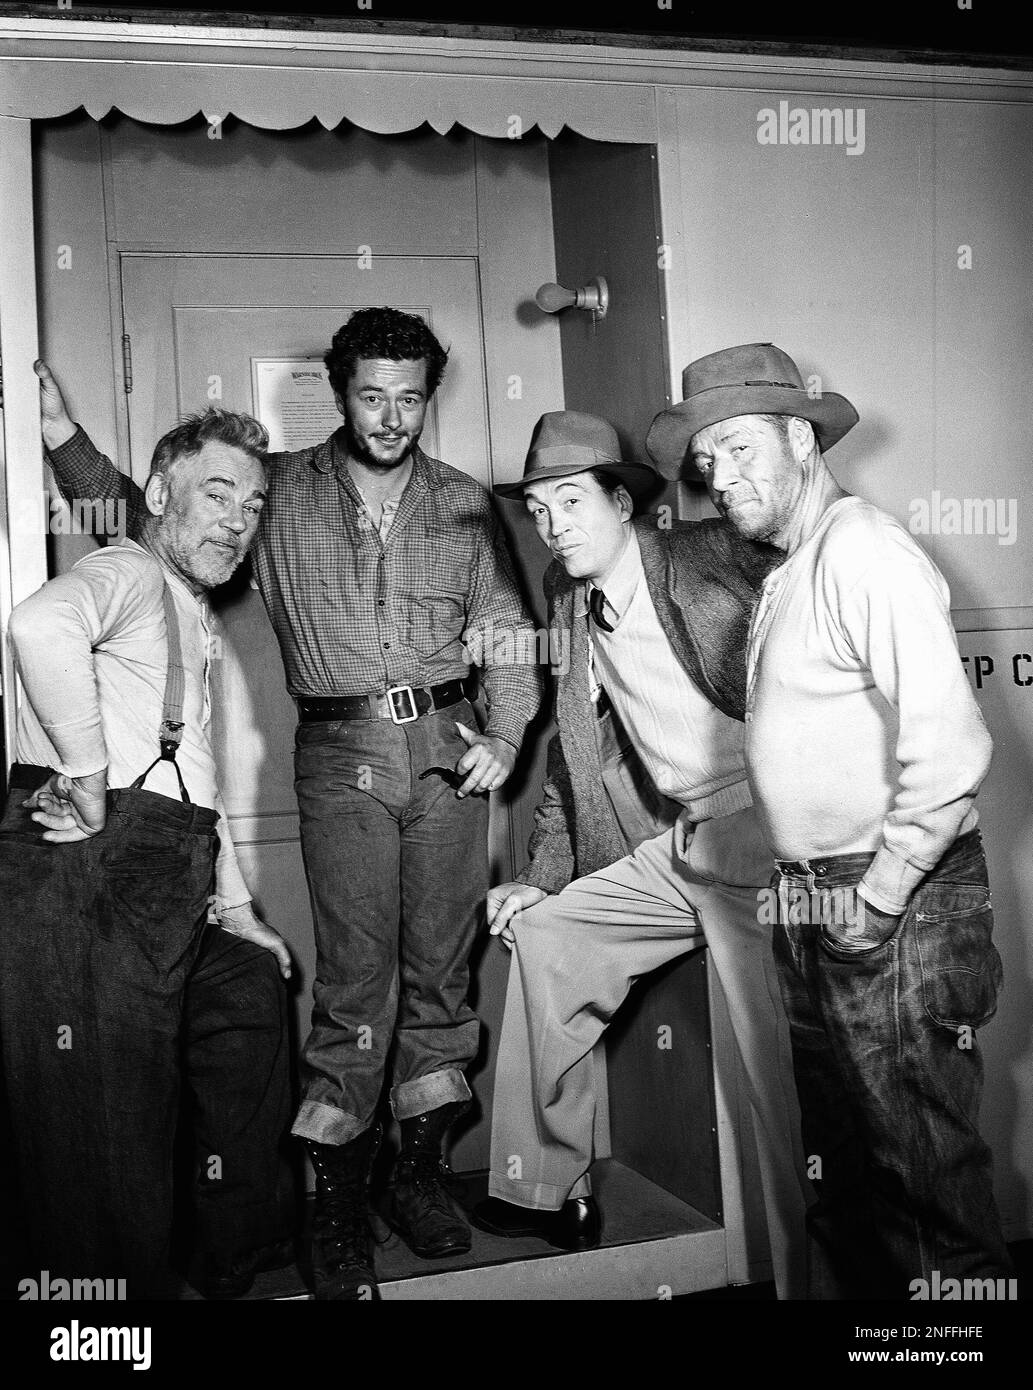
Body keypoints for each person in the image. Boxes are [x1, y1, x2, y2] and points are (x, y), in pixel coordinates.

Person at [37, 307, 542, 1301]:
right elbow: (154, 520)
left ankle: (419, 1172)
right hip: (341, 747)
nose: (391, 417)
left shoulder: (465, 504)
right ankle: (337, 1194)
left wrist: (507, 734)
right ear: (339, 391)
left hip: (449, 750)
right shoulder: (280, 500)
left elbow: (511, 637)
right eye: (371, 396)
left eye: (410, 397)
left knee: (442, 975)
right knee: (358, 985)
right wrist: (60, 437)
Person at [645, 341, 1012, 1298]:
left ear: (801, 440)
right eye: (705, 463)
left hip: (887, 903)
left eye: (736, 449)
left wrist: (884, 894)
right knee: (844, 1175)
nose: (718, 479)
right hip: (814, 902)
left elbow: (951, 747)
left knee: (922, 1181)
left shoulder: (865, 549)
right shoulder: (787, 572)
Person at [471, 411, 811, 1299]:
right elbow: (569, 762)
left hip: (765, 832)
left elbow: (816, 576)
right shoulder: (564, 598)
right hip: (682, 845)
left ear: (622, 503)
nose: (554, 525)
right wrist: (538, 877)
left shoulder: (703, 554)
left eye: (572, 501)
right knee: (548, 938)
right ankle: (542, 1184)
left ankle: (800, 1280)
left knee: (773, 1072)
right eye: (540, 508)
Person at [0, 404, 294, 1300]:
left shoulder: (188, 609)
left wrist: (237, 908)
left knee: (246, 1001)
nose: (237, 520)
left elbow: (194, 773)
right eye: (216, 494)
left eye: (251, 504)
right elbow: (37, 627)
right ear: (158, 495)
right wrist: (85, 771)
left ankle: (224, 1259)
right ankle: (99, 1328)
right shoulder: (127, 569)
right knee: (100, 1133)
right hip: (88, 873)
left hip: (167, 866)